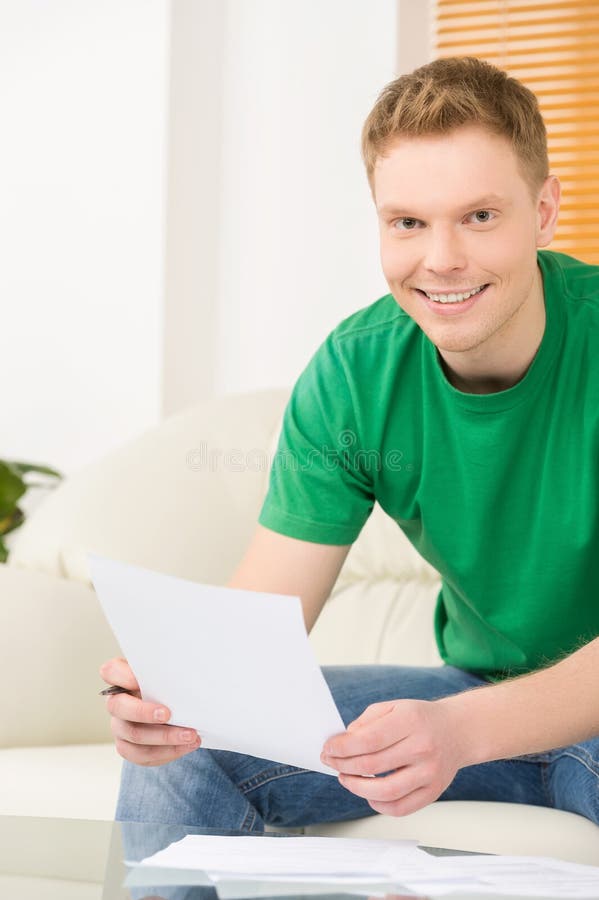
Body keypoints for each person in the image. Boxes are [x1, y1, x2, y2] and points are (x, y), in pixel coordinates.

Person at [100, 56, 599, 830]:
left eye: (478, 216)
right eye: (407, 222)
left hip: (530, 711)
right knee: (195, 743)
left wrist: (462, 732)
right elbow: (262, 624)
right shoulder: (354, 372)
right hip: (469, 685)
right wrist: (177, 695)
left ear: (542, 212)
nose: (440, 260)